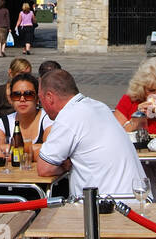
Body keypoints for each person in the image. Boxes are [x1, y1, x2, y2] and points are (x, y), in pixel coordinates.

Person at [37, 68, 147, 198]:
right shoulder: (99, 106)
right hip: (137, 197)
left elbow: (44, 168)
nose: (41, 105)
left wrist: (66, 167)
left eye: (40, 99)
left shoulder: (69, 116)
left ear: (49, 97)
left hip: (110, 205)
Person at [0, 71, 51, 163]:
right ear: (11, 99)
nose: (22, 99)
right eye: (16, 95)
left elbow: (52, 153)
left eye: (28, 94)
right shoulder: (3, 123)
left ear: (37, 98)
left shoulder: (48, 120)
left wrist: (11, 151)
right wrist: (35, 150)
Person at [0, 57, 31, 127]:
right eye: (21, 74)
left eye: (28, 74)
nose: (24, 77)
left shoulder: (31, 93)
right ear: (11, 73)